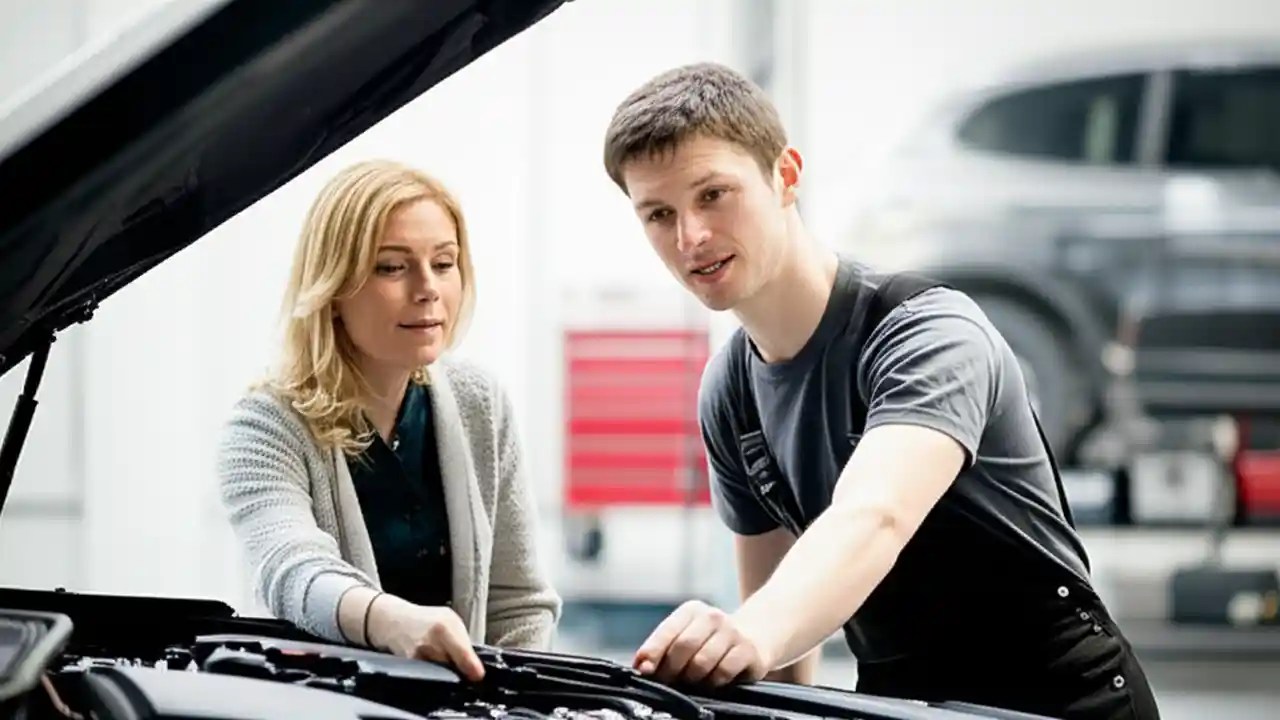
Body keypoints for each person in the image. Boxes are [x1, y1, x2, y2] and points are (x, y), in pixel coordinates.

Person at [600, 63, 1160, 719]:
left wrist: (747, 631)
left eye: (713, 195)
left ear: (785, 176)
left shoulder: (926, 333)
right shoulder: (731, 391)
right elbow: (779, 634)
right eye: (658, 214)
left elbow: (875, 517)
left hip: (1059, 700)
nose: (689, 237)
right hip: (902, 703)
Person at [217, 159, 561, 682]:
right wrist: (387, 620)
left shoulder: (480, 403)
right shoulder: (264, 427)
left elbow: (518, 603)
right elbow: (292, 572)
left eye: (444, 264)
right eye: (392, 267)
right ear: (333, 290)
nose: (427, 289)